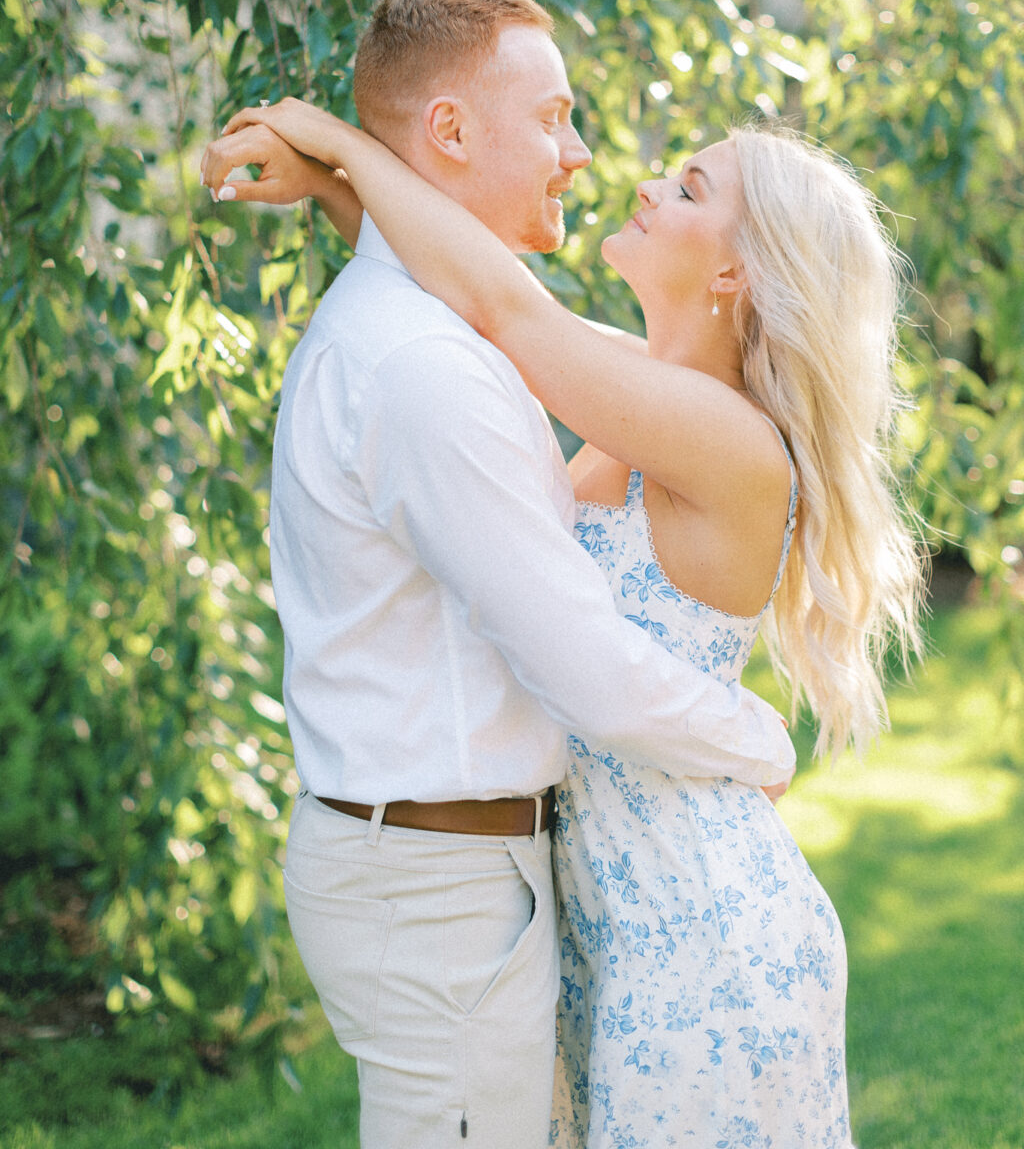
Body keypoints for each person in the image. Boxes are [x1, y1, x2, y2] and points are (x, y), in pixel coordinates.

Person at [203, 70, 924, 1149]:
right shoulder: (643, 393)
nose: (644, 185)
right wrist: (342, 192)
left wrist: (335, 140)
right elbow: (466, 293)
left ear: (737, 267)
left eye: (688, 189)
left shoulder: (718, 437)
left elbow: (499, 305)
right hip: (617, 911)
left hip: (698, 931)